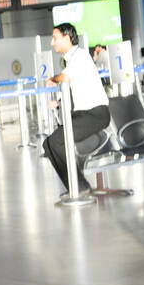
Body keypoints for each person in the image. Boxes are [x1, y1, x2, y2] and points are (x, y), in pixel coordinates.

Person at [43, 22, 111, 194]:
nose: (52, 43)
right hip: (84, 115)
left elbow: (65, 78)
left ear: (67, 38)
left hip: (96, 114)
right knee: (48, 144)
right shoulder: (73, 60)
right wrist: (58, 102)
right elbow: (75, 86)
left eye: (55, 38)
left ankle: (80, 187)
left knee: (57, 141)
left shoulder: (80, 56)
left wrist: (53, 78)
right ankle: (74, 186)